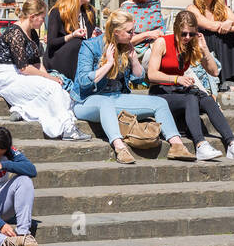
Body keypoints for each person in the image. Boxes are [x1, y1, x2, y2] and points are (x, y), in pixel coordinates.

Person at [72, 9, 196, 163]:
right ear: (117, 32)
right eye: (130, 31)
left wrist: (133, 59)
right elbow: (84, 81)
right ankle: (120, 147)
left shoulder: (125, 46)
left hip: (115, 98)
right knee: (105, 102)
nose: (134, 34)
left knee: (160, 103)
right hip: (86, 101)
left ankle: (177, 145)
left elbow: (139, 79)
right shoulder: (90, 46)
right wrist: (109, 64)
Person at [147, 10, 234, 161]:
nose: (187, 37)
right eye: (184, 34)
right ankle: (200, 145)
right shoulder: (162, 42)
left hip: (178, 91)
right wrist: (176, 79)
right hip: (160, 92)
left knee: (207, 99)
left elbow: (214, 72)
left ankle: (232, 142)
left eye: (191, 34)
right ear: (176, 30)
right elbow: (151, 75)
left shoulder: (192, 45)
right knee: (191, 99)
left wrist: (205, 49)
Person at [0, 0, 89, 140]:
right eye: (42, 18)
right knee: (52, 89)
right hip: (9, 78)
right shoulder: (14, 33)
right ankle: (68, 130)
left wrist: (51, 78)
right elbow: (24, 68)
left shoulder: (32, 32)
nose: (44, 22)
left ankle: (24, 110)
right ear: (32, 17)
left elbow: (37, 63)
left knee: (62, 92)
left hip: (24, 74)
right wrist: (49, 78)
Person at [45, 0, 99, 81]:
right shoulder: (57, 12)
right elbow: (51, 43)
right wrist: (72, 35)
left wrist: (94, 36)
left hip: (83, 57)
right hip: (59, 58)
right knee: (77, 43)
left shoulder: (89, 12)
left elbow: (89, 40)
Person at [119, 0, 167, 65]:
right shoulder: (125, 9)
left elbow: (161, 27)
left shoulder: (155, 2)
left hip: (160, 46)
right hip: (138, 54)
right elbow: (122, 41)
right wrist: (148, 34)